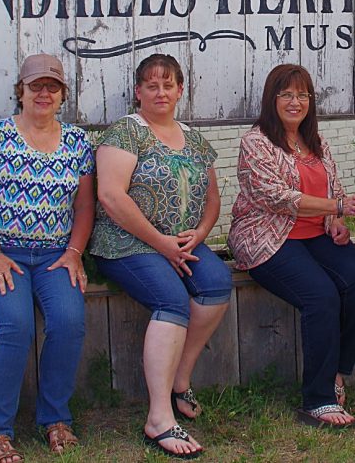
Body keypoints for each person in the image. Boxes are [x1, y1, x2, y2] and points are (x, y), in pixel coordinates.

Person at [91, 54, 232, 460]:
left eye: (168, 85)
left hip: (181, 244)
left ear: (180, 90)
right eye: (151, 85)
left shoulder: (195, 138)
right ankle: (159, 417)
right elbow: (111, 196)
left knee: (217, 287)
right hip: (127, 243)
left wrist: (200, 234)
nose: (160, 92)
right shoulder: (126, 133)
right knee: (171, 301)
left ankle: (180, 379)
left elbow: (212, 197)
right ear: (138, 92)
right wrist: (161, 243)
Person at [0, 54, 96, 461]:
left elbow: (85, 207)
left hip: (56, 254)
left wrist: (75, 253)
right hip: (2, 252)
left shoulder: (77, 141)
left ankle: (55, 418)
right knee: (15, 325)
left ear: (63, 95)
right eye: (35, 85)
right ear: (20, 90)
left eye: (52, 86)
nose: (43, 92)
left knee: (69, 321)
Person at [229, 64, 355, 429]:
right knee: (321, 295)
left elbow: (334, 191)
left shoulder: (317, 142)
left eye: (303, 95)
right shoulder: (257, 142)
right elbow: (277, 197)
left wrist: (338, 221)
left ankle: (338, 373)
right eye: (287, 94)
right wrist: (337, 208)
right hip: (267, 237)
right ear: (272, 99)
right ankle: (318, 399)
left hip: (315, 234)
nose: (295, 102)